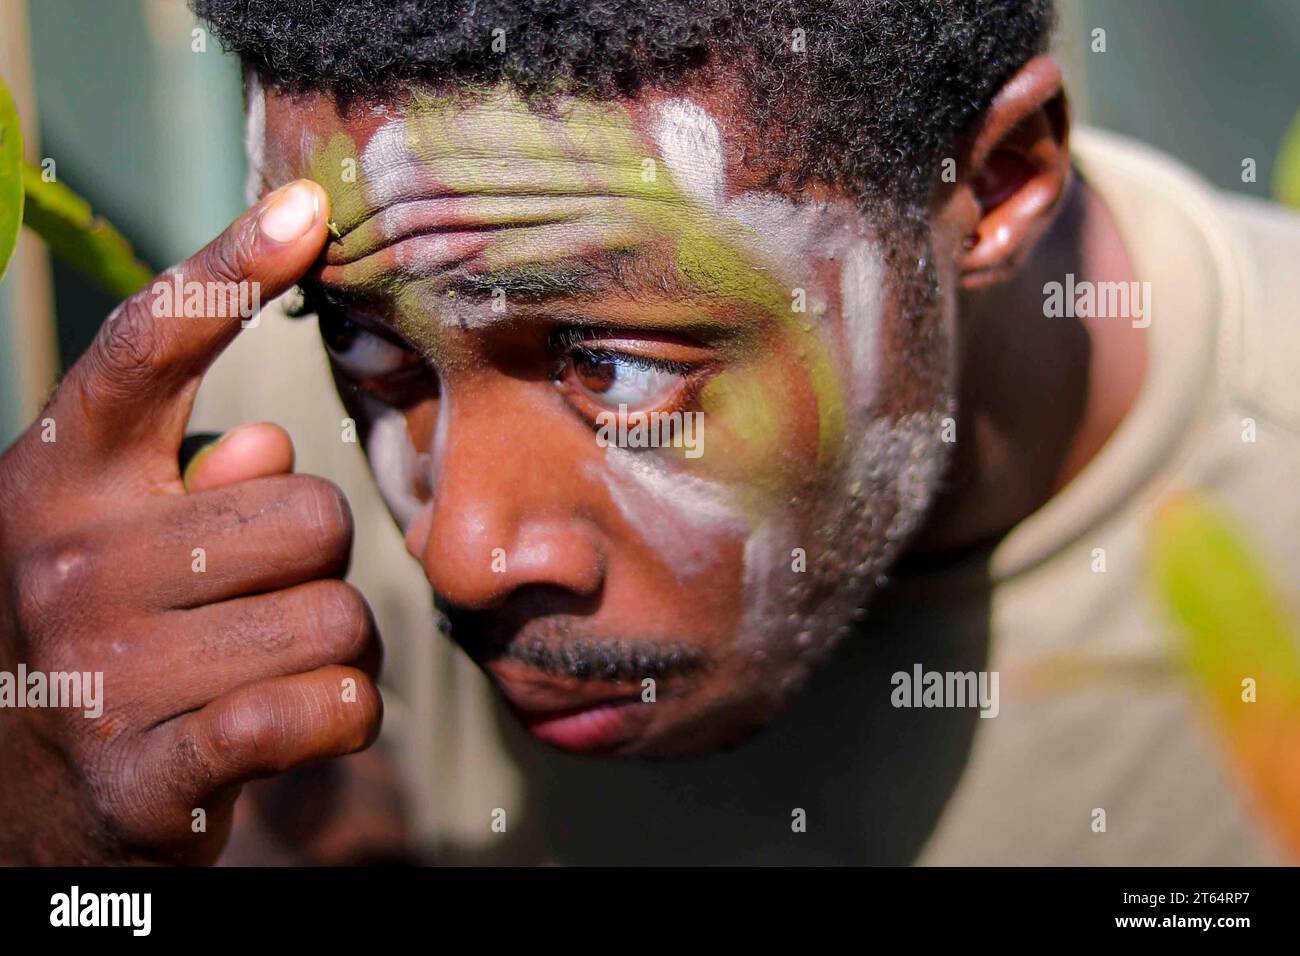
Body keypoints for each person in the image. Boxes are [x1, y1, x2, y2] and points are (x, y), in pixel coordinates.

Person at [2, 0, 1298, 865]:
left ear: (998, 185)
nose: (459, 549)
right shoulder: (239, 485)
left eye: (614, 366)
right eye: (372, 345)